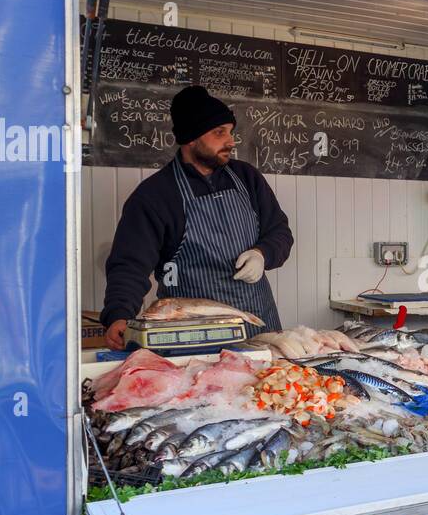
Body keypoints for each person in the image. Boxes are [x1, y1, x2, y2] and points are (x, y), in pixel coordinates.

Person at [100, 85, 293, 348]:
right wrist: (119, 315)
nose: (231, 141)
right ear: (191, 138)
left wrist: (263, 253)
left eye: (230, 132)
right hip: (191, 338)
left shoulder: (247, 178)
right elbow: (129, 264)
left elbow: (280, 231)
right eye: (219, 133)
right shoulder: (156, 195)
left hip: (259, 329)